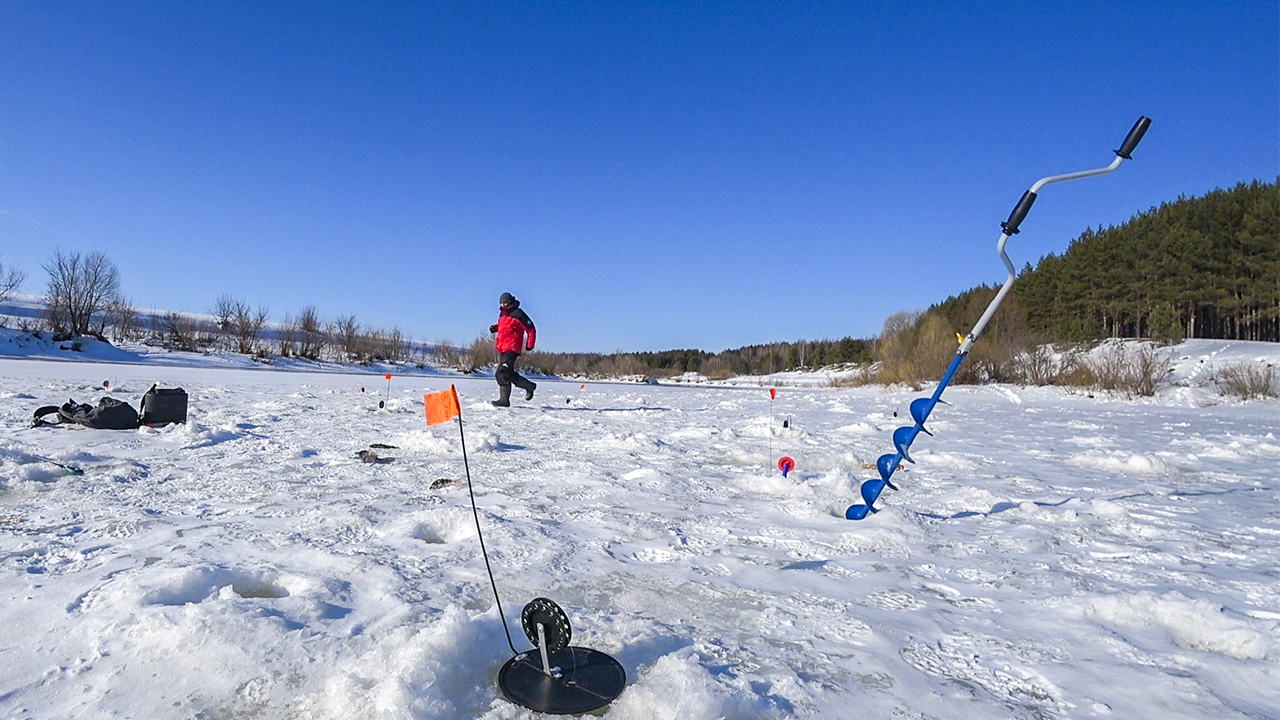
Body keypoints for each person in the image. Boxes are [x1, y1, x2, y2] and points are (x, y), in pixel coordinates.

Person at [489, 292, 537, 407]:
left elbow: (531, 329)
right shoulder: (502, 314)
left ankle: (504, 400)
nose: (504, 305)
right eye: (502, 303)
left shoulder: (518, 313)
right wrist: (495, 328)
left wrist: (529, 345)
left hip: (512, 347)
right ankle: (528, 386)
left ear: (510, 302)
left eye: (506, 302)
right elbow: (504, 326)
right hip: (503, 347)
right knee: (507, 373)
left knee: (501, 372)